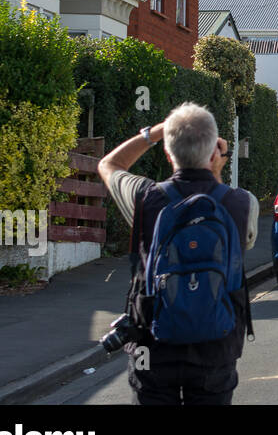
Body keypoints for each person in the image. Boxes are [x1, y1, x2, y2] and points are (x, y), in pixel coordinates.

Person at [98, 103, 258, 405]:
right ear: (214, 153)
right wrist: (216, 175)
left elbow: (108, 165)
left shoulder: (144, 197)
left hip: (153, 344)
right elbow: (237, 248)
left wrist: (155, 132)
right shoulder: (243, 203)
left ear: (168, 153)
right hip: (217, 344)